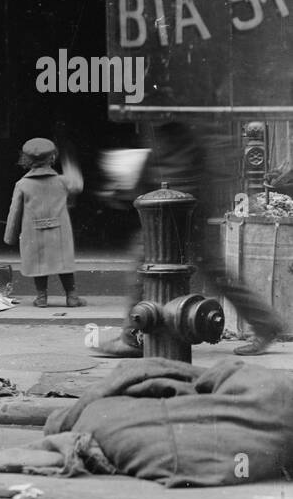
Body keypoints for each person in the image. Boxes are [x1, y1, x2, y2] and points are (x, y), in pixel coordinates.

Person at [99, 120, 284, 358]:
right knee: (212, 269)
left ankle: (133, 336)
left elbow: (173, 154)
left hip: (176, 196)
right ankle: (265, 322)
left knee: (144, 262)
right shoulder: (171, 106)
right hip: (184, 193)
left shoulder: (170, 107)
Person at [3, 136, 86, 308]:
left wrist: (9, 237)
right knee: (64, 264)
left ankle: (41, 298)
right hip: (59, 231)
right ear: (53, 158)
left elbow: (14, 212)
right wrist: (70, 160)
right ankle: (72, 297)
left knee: (38, 264)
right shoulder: (63, 181)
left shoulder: (22, 184)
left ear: (25, 160)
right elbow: (77, 186)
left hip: (33, 232)